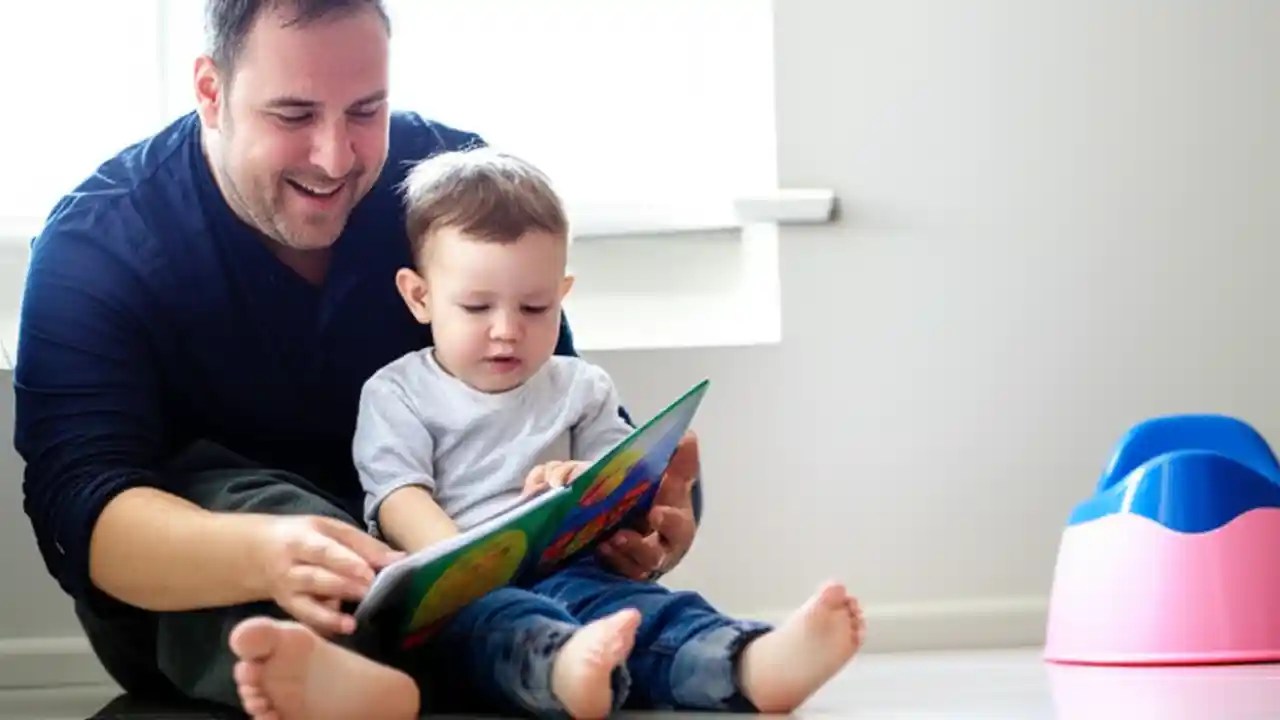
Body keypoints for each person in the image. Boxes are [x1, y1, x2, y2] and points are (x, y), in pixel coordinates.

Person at [12, 0, 703, 714]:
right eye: (293, 116)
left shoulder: (452, 192)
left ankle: (467, 667)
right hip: (229, 586)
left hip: (467, 566)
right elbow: (80, 511)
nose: (334, 157)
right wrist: (269, 553)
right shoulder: (97, 245)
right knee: (224, 489)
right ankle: (351, 673)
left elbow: (547, 401)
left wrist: (627, 512)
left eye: (366, 111)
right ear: (211, 93)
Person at [224, 148, 866, 720]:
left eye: (535, 308)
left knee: (644, 612)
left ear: (562, 295)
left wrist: (586, 485)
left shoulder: (581, 387)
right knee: (502, 625)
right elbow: (397, 498)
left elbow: (618, 482)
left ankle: (748, 661)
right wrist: (467, 560)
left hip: (571, 564)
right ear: (420, 297)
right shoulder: (398, 393)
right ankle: (564, 670)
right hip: (465, 588)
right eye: (476, 307)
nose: (507, 329)